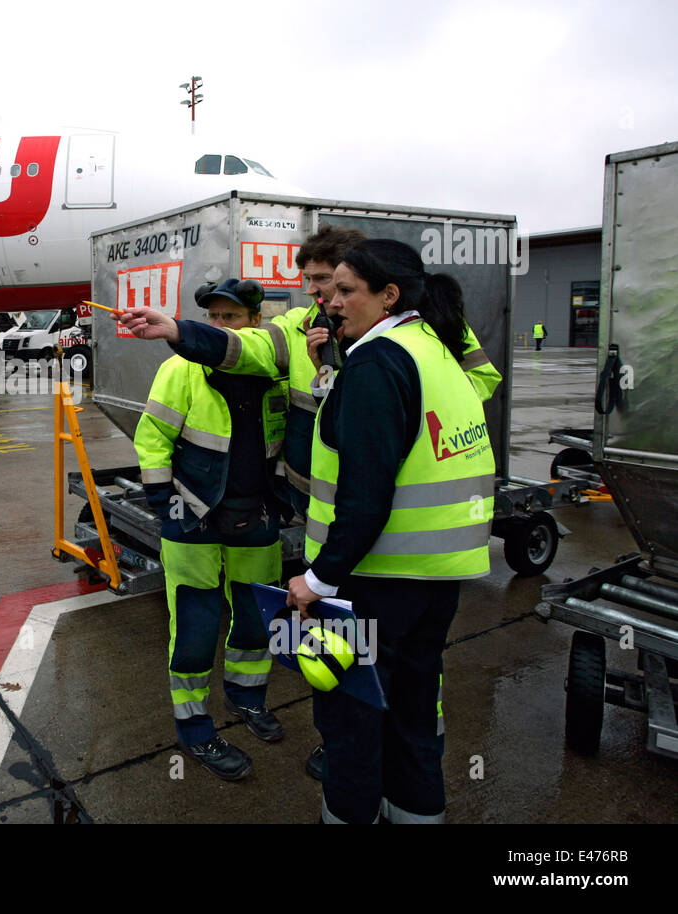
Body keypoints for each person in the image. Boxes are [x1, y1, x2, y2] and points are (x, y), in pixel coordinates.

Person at [139, 224, 501, 782]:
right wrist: (179, 332)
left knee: (373, 659)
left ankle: (364, 756)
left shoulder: (420, 337)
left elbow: (470, 385)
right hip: (323, 514)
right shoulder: (303, 330)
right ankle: (345, 747)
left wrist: (397, 398)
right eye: (309, 283)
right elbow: (248, 350)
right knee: (302, 642)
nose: (317, 295)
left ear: (375, 288)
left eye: (328, 283)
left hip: (378, 525)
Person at [284, 239, 496, 824]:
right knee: (413, 718)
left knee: (351, 726)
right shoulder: (435, 347)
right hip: (437, 578)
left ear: (389, 295)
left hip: (374, 580)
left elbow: (366, 494)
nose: (333, 302)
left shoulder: (379, 360)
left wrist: (319, 579)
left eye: (347, 290)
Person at [129, 278, 290, 781]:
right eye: (214, 318)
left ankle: (247, 698)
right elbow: (152, 439)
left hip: (255, 517)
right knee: (195, 628)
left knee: (254, 618)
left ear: (254, 325)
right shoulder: (178, 369)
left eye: (231, 318)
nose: (219, 326)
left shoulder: (273, 371)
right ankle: (194, 725)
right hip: (192, 519)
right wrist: (165, 503)